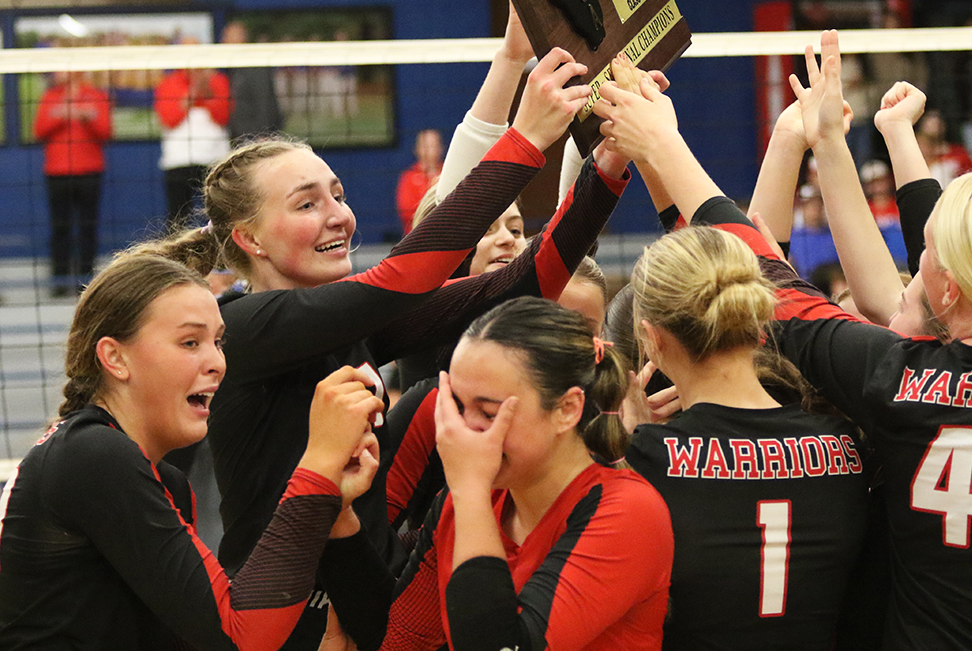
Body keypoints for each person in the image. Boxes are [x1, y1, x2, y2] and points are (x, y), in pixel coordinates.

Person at [597, 29, 972, 648]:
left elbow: (761, 272)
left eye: (927, 251)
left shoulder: (898, 378)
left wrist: (664, 144)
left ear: (947, 292)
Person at [136, 46, 623, 649]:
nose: (338, 215)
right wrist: (524, 138)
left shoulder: (346, 324)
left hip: (363, 599)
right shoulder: (239, 324)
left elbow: (521, 284)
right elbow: (405, 275)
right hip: (282, 623)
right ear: (249, 239)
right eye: (307, 204)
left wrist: (606, 168)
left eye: (337, 195)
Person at [0, 252, 383, 650]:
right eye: (190, 342)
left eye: (218, 342)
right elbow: (242, 637)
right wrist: (318, 465)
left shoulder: (160, 479)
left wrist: (330, 503)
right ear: (115, 357)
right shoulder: (92, 455)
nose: (217, 362)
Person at [623, 226, 870, 650]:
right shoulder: (844, 440)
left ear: (652, 338)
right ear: (758, 326)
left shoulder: (647, 456)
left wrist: (623, 442)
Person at [381, 297, 673, 651]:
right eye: (458, 407)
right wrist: (342, 524)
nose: (464, 430)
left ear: (567, 410)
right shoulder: (466, 499)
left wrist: (470, 490)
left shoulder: (629, 510)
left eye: (488, 413)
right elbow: (401, 639)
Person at [32, 70, 112, 297]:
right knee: (60, 229)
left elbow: (106, 132)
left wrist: (87, 117)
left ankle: (85, 282)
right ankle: (59, 280)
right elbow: (38, 131)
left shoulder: (95, 96)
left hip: (90, 172)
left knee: (88, 228)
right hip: (57, 173)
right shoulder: (50, 97)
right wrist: (62, 114)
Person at [155, 47, 231, 225]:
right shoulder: (169, 84)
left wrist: (208, 93)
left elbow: (223, 116)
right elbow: (169, 119)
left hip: (214, 160)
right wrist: (192, 94)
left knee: (219, 216)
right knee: (178, 218)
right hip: (178, 161)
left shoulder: (218, 81)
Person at [224, 19, 286, 143]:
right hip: (241, 138)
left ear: (241, 38)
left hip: (256, 138)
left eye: (228, 36)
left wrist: (263, 135)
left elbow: (264, 101)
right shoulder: (235, 68)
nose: (224, 41)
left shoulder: (255, 65)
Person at [396, 129, 444, 234]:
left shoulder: (449, 172)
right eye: (426, 146)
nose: (431, 150)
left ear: (441, 148)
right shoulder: (409, 176)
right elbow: (406, 211)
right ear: (417, 149)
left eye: (434, 145)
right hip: (417, 236)